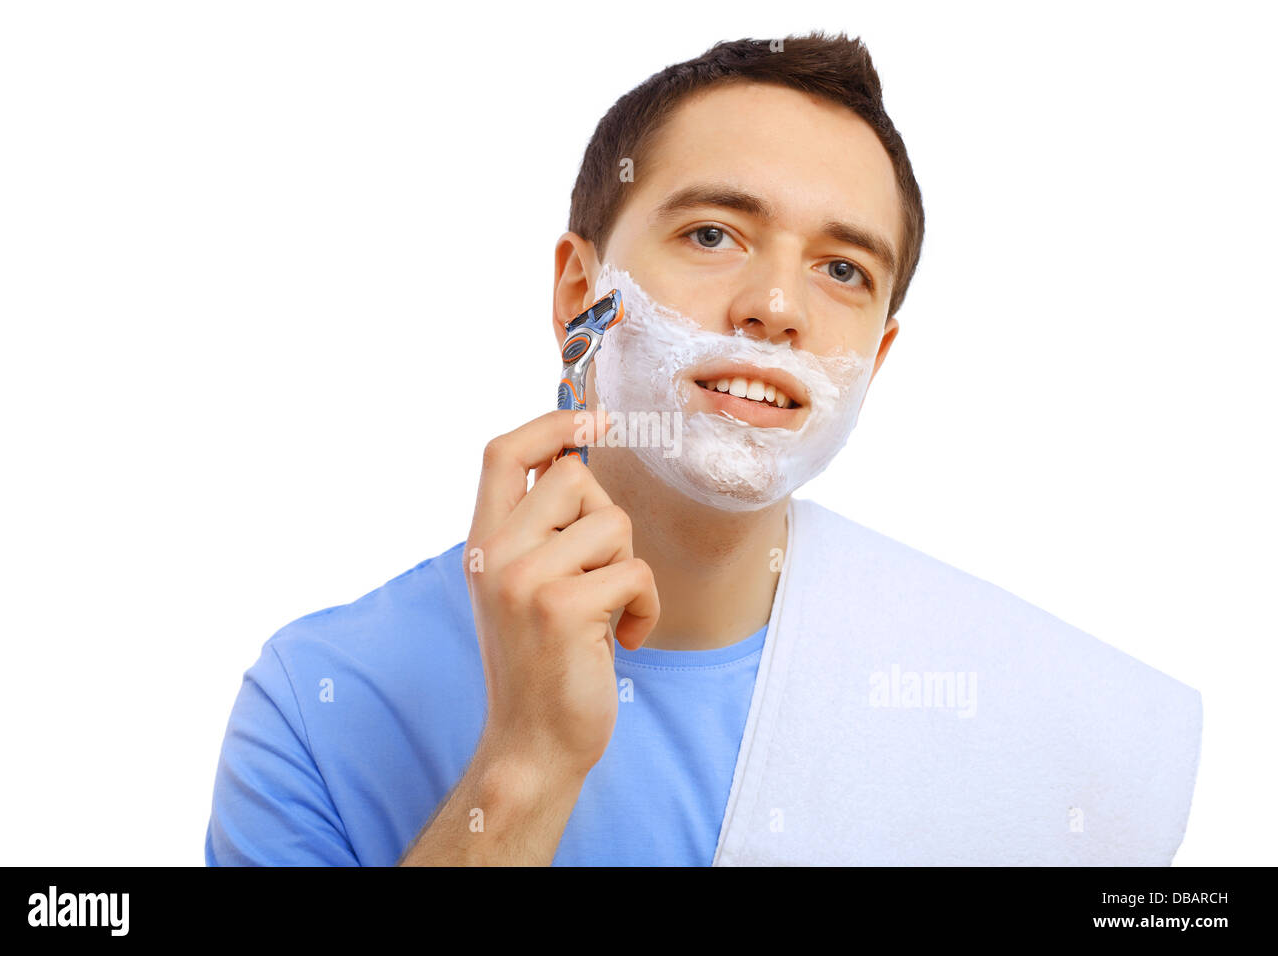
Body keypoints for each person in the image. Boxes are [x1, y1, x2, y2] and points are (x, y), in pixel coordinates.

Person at [205, 31, 1201, 867]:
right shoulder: (317, 705)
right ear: (576, 293)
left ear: (877, 356)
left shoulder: (1061, 727)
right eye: (715, 235)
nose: (774, 307)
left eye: (843, 269)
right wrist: (528, 764)